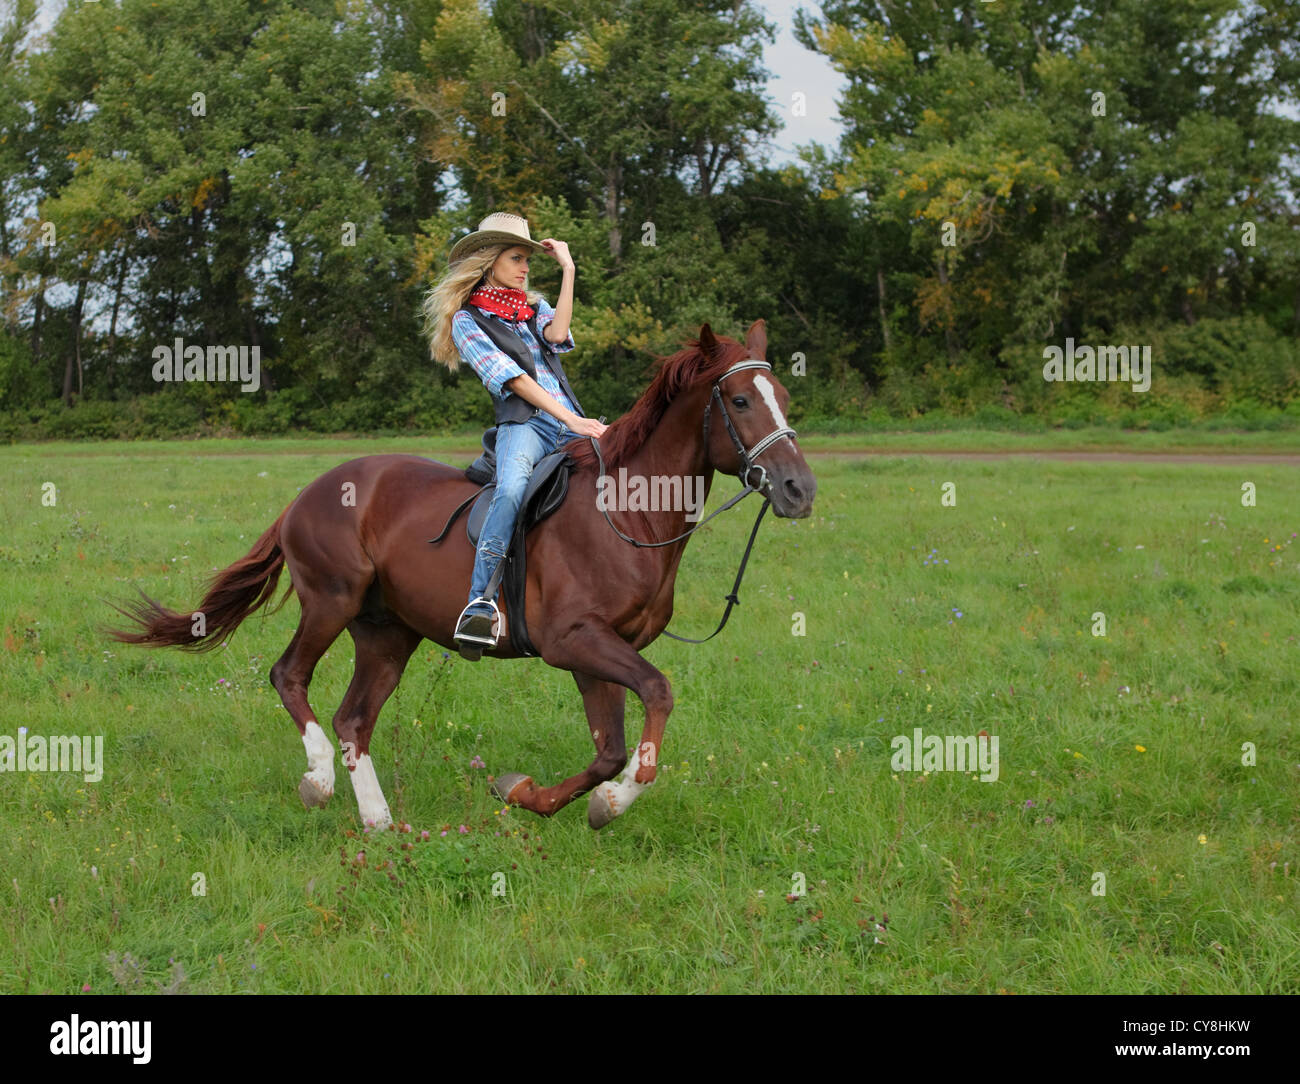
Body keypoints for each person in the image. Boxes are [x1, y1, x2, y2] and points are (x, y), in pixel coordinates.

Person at [422, 211, 607, 658]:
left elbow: (560, 334)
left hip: (567, 419)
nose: (525, 268)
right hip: (524, 424)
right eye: (516, 258)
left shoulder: (532, 308)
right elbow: (516, 381)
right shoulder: (467, 322)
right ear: (489, 262)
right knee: (510, 492)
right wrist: (574, 422)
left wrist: (569, 270)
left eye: (527, 259)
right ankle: (480, 602)